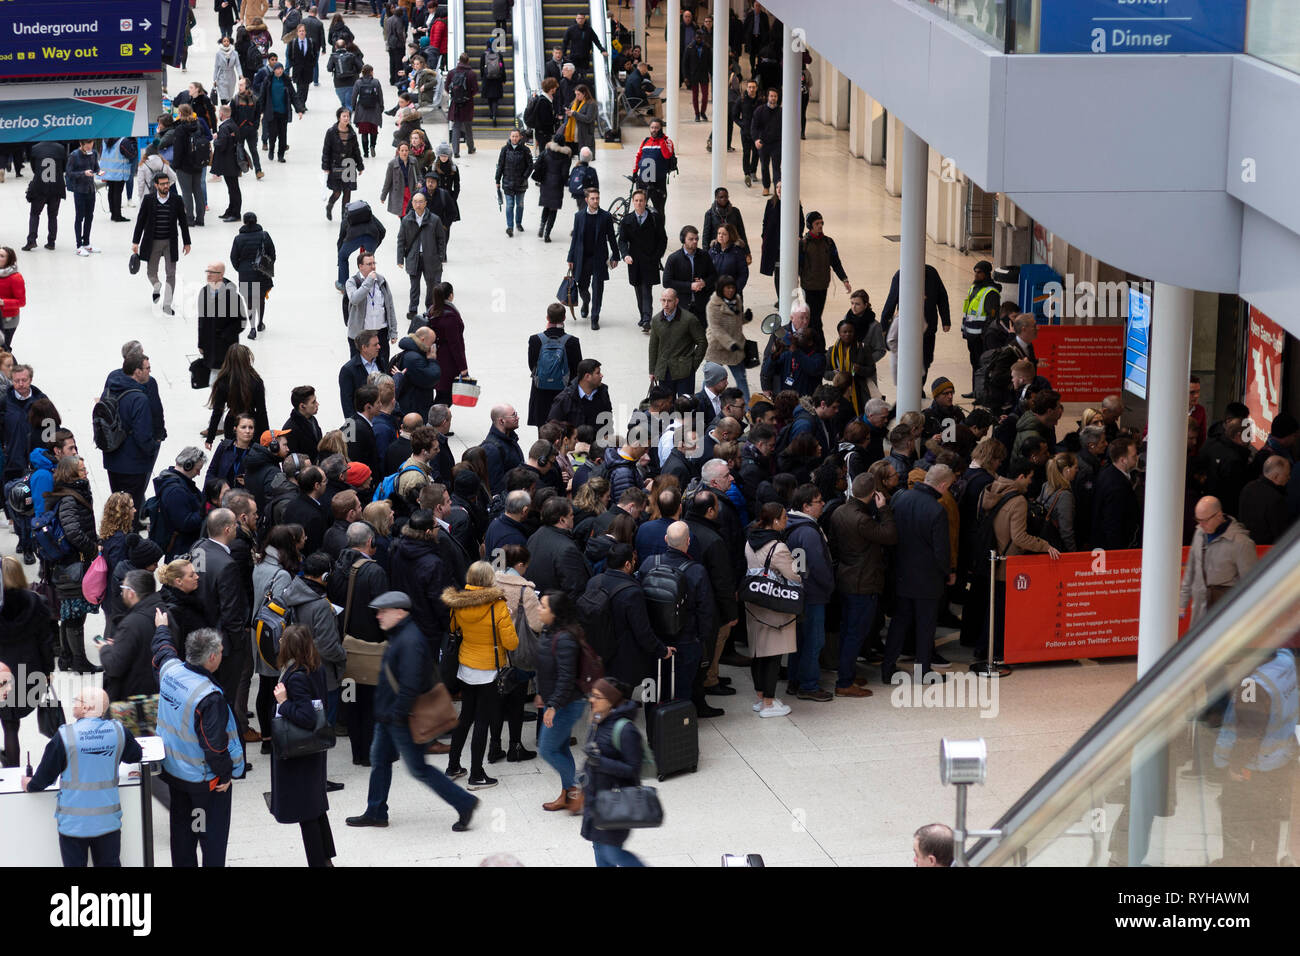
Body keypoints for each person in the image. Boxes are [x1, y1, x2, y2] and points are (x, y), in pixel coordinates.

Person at [344, 590, 480, 830]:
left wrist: (397, 715)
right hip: (389, 716)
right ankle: (376, 811)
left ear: (400, 612)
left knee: (419, 769)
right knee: (380, 760)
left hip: (401, 718)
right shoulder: (400, 634)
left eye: (383, 612)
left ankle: (464, 802)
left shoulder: (409, 640)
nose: (378, 616)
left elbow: (410, 684)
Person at [152, 615, 245, 867]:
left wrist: (162, 627)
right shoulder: (208, 696)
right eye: (221, 651)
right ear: (211, 657)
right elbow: (214, 746)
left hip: (174, 774)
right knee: (211, 838)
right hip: (205, 782)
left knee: (182, 834)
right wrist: (225, 776)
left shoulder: (170, 671)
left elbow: (162, 649)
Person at [22, 688, 142, 867]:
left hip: (73, 824)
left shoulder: (65, 736)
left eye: (77, 700)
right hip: (108, 822)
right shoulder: (118, 731)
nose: (74, 703)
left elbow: (44, 778)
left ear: (87, 707)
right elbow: (135, 755)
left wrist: (29, 784)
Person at [442, 562, 519, 790]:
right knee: (482, 721)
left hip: (466, 666)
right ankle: (476, 774)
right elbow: (511, 642)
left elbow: (454, 628)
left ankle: (453, 766)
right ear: (488, 580)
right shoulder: (497, 606)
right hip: (489, 669)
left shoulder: (458, 603)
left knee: (465, 717)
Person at [268, 624, 337, 866]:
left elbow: (307, 717)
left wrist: (283, 702)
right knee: (315, 807)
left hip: (299, 755)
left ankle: (319, 862)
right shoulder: (314, 667)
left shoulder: (296, 676)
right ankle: (326, 858)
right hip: (312, 752)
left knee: (306, 813)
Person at [884, 464, 955, 681]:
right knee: (925, 626)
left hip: (901, 573)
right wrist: (949, 572)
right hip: (928, 579)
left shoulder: (899, 498)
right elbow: (941, 550)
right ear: (943, 485)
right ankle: (922, 671)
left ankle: (887, 668)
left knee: (899, 622)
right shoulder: (937, 510)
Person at [577, 677, 646, 866]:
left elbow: (633, 770)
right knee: (599, 848)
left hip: (615, 803)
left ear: (611, 701)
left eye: (597, 697)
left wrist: (600, 762)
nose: (592, 700)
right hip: (595, 800)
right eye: (592, 695)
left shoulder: (625, 730)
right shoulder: (597, 721)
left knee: (613, 853)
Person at [531, 589, 586, 811]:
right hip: (555, 700)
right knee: (560, 748)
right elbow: (545, 668)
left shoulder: (565, 639)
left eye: (543, 606)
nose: (538, 608)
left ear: (556, 613)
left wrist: (552, 705)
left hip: (567, 703)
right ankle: (568, 795)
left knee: (547, 749)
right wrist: (541, 692)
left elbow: (566, 677)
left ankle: (580, 786)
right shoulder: (548, 631)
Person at [743, 503, 799, 717]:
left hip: (754, 602)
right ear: (775, 520)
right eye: (784, 517)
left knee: (758, 652)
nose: (786, 520)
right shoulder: (779, 548)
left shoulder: (750, 541)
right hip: (774, 606)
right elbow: (794, 575)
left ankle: (760, 697)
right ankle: (768, 702)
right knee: (773, 655)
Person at [0, 557, 55, 766]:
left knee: (9, 725)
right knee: (14, 720)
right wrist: (48, 671)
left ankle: (12, 765)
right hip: (30, 672)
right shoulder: (36, 602)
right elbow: (46, 642)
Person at [1179, 496, 1258, 626]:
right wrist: (1182, 602)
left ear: (1219, 516)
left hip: (1227, 612)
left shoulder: (1241, 543)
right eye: (1198, 520)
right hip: (1201, 610)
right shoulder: (1199, 533)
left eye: (1205, 521)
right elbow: (1191, 568)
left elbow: (1251, 584)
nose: (1201, 525)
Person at [100, 569, 172, 702]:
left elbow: (114, 666)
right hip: (162, 695)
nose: (121, 592)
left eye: (123, 588)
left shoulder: (131, 624)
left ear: (131, 593)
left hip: (135, 702)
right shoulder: (164, 613)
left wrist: (105, 649)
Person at [100, 352, 161, 512]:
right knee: (130, 512)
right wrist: (152, 448)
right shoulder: (139, 398)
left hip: (112, 459)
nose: (149, 371)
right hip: (133, 465)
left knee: (118, 508)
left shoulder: (111, 387)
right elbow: (143, 435)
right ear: (137, 371)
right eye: (147, 368)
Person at [131, 172, 192, 315]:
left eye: (167, 183)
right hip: (153, 242)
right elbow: (140, 221)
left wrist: (187, 242)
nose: (166, 186)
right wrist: (135, 242)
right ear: (156, 185)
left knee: (171, 273)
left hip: (170, 242)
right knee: (151, 272)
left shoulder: (177, 200)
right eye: (163, 184)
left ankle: (167, 304)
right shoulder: (148, 200)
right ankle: (157, 286)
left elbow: (183, 222)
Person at [881, 262, 952, 382]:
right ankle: (913, 386)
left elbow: (942, 297)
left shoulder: (932, 273)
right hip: (908, 330)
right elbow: (891, 300)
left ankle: (920, 385)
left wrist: (946, 320)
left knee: (927, 359)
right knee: (910, 360)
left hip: (928, 327)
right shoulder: (900, 275)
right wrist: (883, 327)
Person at [567, 187, 620, 330]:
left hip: (599, 258)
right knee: (582, 287)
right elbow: (575, 239)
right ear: (586, 200)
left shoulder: (606, 216)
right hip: (582, 258)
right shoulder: (578, 216)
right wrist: (570, 258)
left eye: (597, 198)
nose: (595, 201)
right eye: (593, 198)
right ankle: (586, 302)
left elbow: (611, 238)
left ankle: (595, 318)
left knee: (598, 289)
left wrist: (616, 255)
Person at [798, 212, 851, 347]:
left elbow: (836, 262)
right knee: (814, 319)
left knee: (815, 318)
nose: (820, 226)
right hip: (809, 287)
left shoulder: (828, 242)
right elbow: (798, 265)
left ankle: (812, 345)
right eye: (817, 223)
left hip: (822, 286)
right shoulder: (803, 244)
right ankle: (819, 345)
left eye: (821, 223)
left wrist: (844, 279)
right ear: (810, 226)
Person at [395, 194, 447, 322]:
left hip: (431, 258)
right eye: (415, 202)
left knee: (431, 285)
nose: (418, 205)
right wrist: (400, 259)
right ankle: (413, 310)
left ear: (425, 203)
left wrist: (440, 256)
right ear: (412, 203)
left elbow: (441, 239)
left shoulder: (434, 220)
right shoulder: (407, 220)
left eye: (420, 202)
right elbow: (401, 240)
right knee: (414, 286)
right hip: (414, 258)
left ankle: (430, 307)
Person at [203, 344, 268, 446]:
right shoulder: (256, 381)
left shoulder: (223, 382)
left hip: (232, 423)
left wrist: (210, 438)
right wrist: (266, 437)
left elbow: (217, 411)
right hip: (252, 423)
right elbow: (262, 412)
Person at [649, 287, 708, 396]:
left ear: (676, 301)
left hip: (684, 372)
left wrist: (693, 365)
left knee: (685, 409)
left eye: (669, 300)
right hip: (664, 372)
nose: (666, 304)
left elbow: (702, 342)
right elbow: (653, 347)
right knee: (666, 409)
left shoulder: (689, 319)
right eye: (663, 300)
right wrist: (652, 370)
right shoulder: (656, 320)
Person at [196, 263, 247, 381]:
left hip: (226, 347)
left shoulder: (232, 296)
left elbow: (242, 321)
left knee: (226, 378)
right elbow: (201, 321)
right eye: (207, 271)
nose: (209, 275)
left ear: (221, 275)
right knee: (214, 380)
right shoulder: (203, 292)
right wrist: (201, 343)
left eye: (212, 272)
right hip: (210, 346)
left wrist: (225, 335)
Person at [229, 211, 275, 337]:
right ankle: (260, 323)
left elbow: (233, 257)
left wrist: (241, 269)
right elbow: (272, 254)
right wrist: (267, 266)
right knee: (260, 298)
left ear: (244, 222)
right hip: (262, 273)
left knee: (249, 301)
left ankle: (252, 328)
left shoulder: (238, 239)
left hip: (245, 274)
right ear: (256, 221)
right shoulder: (264, 235)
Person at [1092, 436, 1141, 551]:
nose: (1137, 458)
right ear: (1123, 460)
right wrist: (1118, 553)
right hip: (1114, 548)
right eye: (1134, 456)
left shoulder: (1107, 472)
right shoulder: (1117, 487)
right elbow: (1112, 523)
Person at [663, 225, 717, 321]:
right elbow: (667, 282)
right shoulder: (673, 258)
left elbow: (714, 276)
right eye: (691, 239)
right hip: (682, 307)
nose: (695, 241)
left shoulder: (705, 256)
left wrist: (704, 283)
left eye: (696, 239)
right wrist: (690, 286)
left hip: (702, 306)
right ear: (683, 240)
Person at [1239, 455, 1293, 546]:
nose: (1289, 478)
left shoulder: (1248, 487)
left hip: (1246, 545)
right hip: (1267, 550)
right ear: (1276, 477)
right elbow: (1281, 534)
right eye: (1287, 475)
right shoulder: (1276, 499)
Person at [258, 61, 306, 163]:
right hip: (271, 112)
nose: (280, 71)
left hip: (283, 112)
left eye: (281, 69)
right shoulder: (268, 80)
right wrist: (260, 111)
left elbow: (293, 95)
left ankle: (281, 155)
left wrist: (299, 110)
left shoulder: (286, 80)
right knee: (272, 134)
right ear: (274, 70)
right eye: (277, 69)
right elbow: (262, 96)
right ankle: (271, 149)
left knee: (283, 135)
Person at [322, 107, 365, 219]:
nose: (346, 118)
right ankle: (330, 205)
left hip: (349, 164)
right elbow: (326, 150)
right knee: (337, 192)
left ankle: (344, 217)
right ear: (339, 118)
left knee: (347, 191)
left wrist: (360, 166)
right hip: (335, 164)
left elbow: (356, 150)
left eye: (348, 116)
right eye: (344, 116)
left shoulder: (352, 133)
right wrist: (325, 166)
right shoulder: (331, 132)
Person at [23, 139, 66, 251]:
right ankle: (51, 242)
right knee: (53, 216)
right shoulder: (61, 148)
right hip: (56, 187)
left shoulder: (35, 148)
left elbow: (34, 168)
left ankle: (31, 240)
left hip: (40, 187)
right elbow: (64, 167)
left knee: (34, 214)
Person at [336, 198, 387, 291]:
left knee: (343, 257)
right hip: (371, 237)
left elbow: (340, 239)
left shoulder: (347, 217)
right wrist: (375, 246)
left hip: (353, 237)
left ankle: (344, 285)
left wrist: (339, 258)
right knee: (368, 261)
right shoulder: (370, 215)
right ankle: (369, 284)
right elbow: (382, 230)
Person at [495, 129, 534, 237]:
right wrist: (497, 180)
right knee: (509, 205)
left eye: (516, 136)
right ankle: (510, 227)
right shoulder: (505, 150)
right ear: (510, 137)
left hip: (521, 183)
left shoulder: (525, 150)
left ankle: (518, 223)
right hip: (508, 182)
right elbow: (500, 165)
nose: (514, 138)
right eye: (513, 136)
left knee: (520, 204)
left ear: (520, 137)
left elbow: (530, 165)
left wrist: (524, 177)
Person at [632, 119, 676, 212]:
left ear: (661, 129)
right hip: (643, 179)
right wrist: (635, 172)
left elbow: (667, 155)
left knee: (659, 210)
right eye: (652, 127)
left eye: (656, 128)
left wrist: (661, 140)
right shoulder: (645, 141)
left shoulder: (667, 142)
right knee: (640, 208)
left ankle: (659, 227)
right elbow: (638, 156)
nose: (654, 130)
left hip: (658, 181)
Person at [210, 105, 244, 222]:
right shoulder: (233, 125)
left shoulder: (224, 128)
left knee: (233, 188)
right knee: (233, 188)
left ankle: (235, 213)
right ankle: (231, 210)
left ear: (222, 114)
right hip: (233, 161)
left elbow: (222, 145)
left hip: (228, 163)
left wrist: (216, 140)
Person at [67, 139, 101, 255]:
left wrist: (100, 172)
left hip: (91, 189)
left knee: (89, 216)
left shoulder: (94, 153)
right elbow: (69, 174)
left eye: (91, 145)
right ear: (81, 144)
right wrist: (83, 173)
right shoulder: (74, 155)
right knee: (79, 217)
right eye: (87, 146)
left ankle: (86, 242)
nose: (89, 148)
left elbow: (96, 167)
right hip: (79, 190)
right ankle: (79, 245)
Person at [446, 52, 479, 157]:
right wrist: (468, 96)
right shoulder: (472, 74)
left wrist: (454, 96)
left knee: (456, 126)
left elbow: (447, 87)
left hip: (455, 103)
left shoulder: (452, 73)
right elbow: (476, 89)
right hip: (467, 103)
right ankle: (470, 148)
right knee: (468, 126)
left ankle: (456, 151)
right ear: (468, 61)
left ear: (459, 61)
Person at [561, 11, 605, 82]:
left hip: (585, 56)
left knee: (583, 76)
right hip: (574, 56)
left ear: (585, 19)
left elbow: (596, 40)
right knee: (574, 74)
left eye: (582, 18)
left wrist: (602, 50)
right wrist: (564, 53)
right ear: (576, 19)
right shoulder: (571, 29)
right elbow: (565, 42)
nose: (580, 20)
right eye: (579, 18)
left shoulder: (589, 29)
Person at [381, 142, 419, 221]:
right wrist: (383, 196)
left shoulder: (413, 161)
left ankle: (409, 232)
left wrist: (420, 183)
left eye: (406, 150)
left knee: (412, 214)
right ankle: (405, 232)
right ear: (398, 151)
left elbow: (419, 175)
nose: (404, 152)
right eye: (402, 150)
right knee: (404, 216)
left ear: (409, 151)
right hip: (399, 193)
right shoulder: (392, 164)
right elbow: (387, 181)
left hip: (411, 192)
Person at [287, 23, 319, 106]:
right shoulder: (293, 43)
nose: (301, 32)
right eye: (300, 31)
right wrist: (293, 64)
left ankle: (302, 103)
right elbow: (289, 55)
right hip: (297, 69)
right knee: (300, 87)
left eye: (303, 31)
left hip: (308, 69)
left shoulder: (311, 42)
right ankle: (300, 104)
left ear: (305, 32)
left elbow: (315, 54)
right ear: (297, 32)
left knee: (305, 88)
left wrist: (312, 64)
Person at [327, 39, 363, 110]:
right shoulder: (351, 55)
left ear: (335, 47)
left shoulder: (333, 56)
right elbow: (360, 66)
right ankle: (347, 119)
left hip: (339, 84)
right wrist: (355, 73)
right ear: (345, 46)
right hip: (351, 83)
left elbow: (329, 68)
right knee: (349, 104)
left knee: (344, 104)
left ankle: (345, 119)